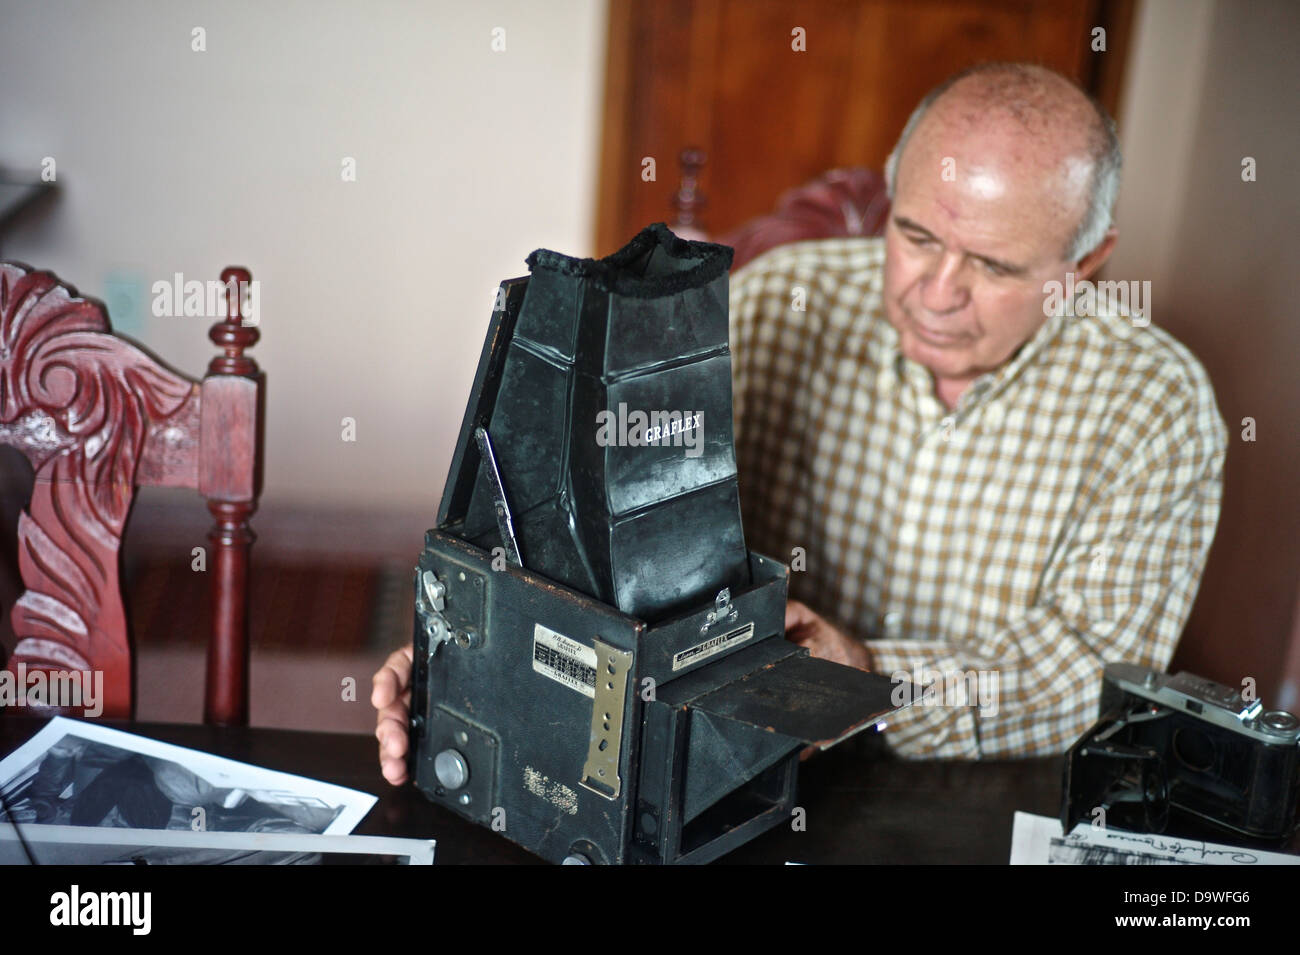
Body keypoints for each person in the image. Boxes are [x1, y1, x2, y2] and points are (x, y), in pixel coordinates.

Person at [374, 62, 1226, 776]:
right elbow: (608, 526)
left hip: (971, 795)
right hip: (730, 760)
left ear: (1086, 262)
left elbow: (1094, 674)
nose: (937, 294)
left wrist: (872, 680)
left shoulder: (1157, 403)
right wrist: (480, 643)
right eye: (917, 235)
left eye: (996, 266)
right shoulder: (783, 300)